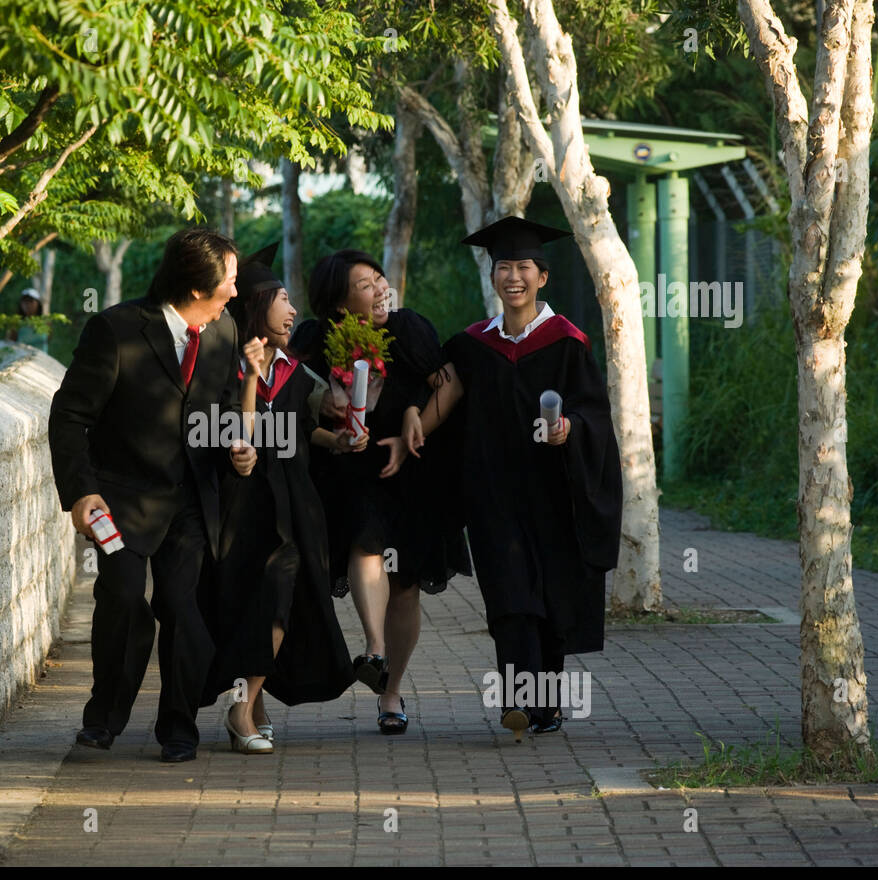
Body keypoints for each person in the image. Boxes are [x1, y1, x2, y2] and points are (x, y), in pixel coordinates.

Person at [47, 228, 256, 763]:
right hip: (119, 501)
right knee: (120, 596)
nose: (236, 291)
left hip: (190, 502)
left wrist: (237, 444)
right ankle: (104, 717)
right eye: (229, 282)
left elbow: (225, 406)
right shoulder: (116, 330)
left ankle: (179, 727)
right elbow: (70, 416)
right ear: (194, 287)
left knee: (183, 608)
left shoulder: (224, 330)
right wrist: (80, 492)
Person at [441, 216, 622, 741]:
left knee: (549, 598)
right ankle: (521, 702)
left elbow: (595, 415)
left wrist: (570, 430)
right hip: (493, 492)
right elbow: (443, 398)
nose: (513, 276)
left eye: (524, 267)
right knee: (511, 596)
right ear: (493, 276)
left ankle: (546, 703)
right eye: (504, 267)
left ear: (542, 276)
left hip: (553, 492)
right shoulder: (474, 345)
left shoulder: (567, 343)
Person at [288, 250, 469, 735]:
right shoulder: (315, 337)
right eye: (365, 285)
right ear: (342, 305)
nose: (380, 287)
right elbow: (286, 391)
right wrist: (324, 402)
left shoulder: (409, 329)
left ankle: (391, 692)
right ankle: (374, 648)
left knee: (406, 586)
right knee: (366, 545)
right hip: (348, 468)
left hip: (407, 471)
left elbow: (447, 388)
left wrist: (414, 429)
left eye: (379, 277)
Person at [199, 244, 359, 754]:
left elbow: (298, 430)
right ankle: (245, 706)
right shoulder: (224, 363)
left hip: (295, 505)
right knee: (260, 601)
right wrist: (249, 378)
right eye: (283, 299)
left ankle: (248, 706)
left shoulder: (292, 369)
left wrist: (336, 441)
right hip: (245, 506)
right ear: (257, 303)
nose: (293, 311)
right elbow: (238, 431)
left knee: (283, 601)